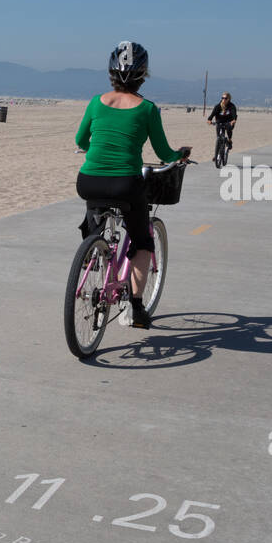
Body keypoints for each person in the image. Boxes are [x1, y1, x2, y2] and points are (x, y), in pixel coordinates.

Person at [74, 41, 190, 329]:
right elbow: (164, 154)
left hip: (88, 180)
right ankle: (137, 309)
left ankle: (95, 248)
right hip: (125, 183)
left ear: (110, 73)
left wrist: (94, 148)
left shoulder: (95, 102)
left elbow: (81, 141)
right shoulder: (148, 109)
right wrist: (180, 156)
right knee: (141, 242)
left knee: (96, 214)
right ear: (143, 75)